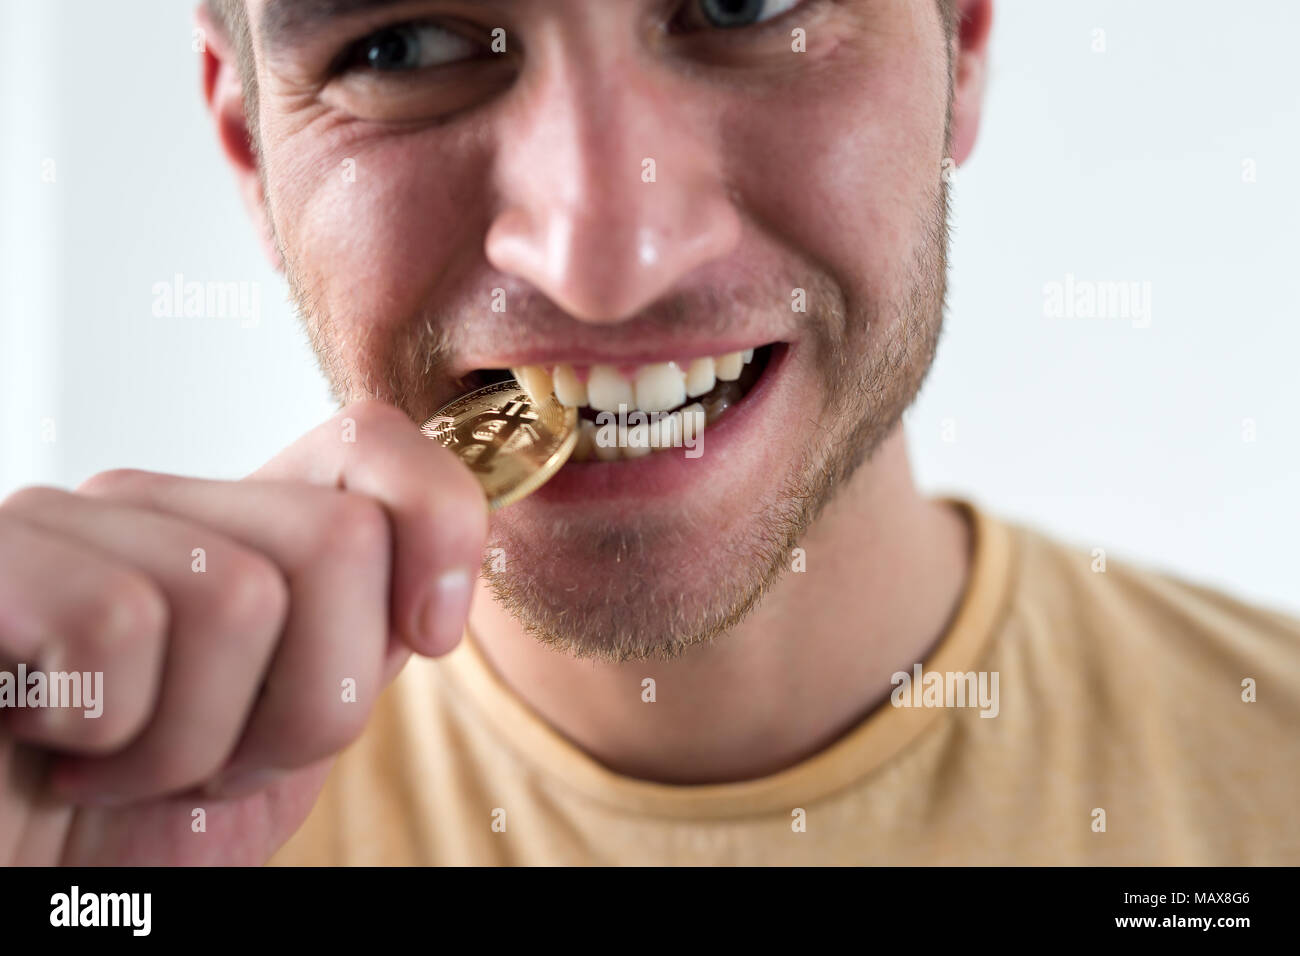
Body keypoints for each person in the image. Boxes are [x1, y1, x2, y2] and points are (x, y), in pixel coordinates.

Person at [0, 0, 1294, 866]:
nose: (604, 260)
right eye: (403, 45)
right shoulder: (89, 821)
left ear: (961, 45)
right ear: (248, 147)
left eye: (743, 0)